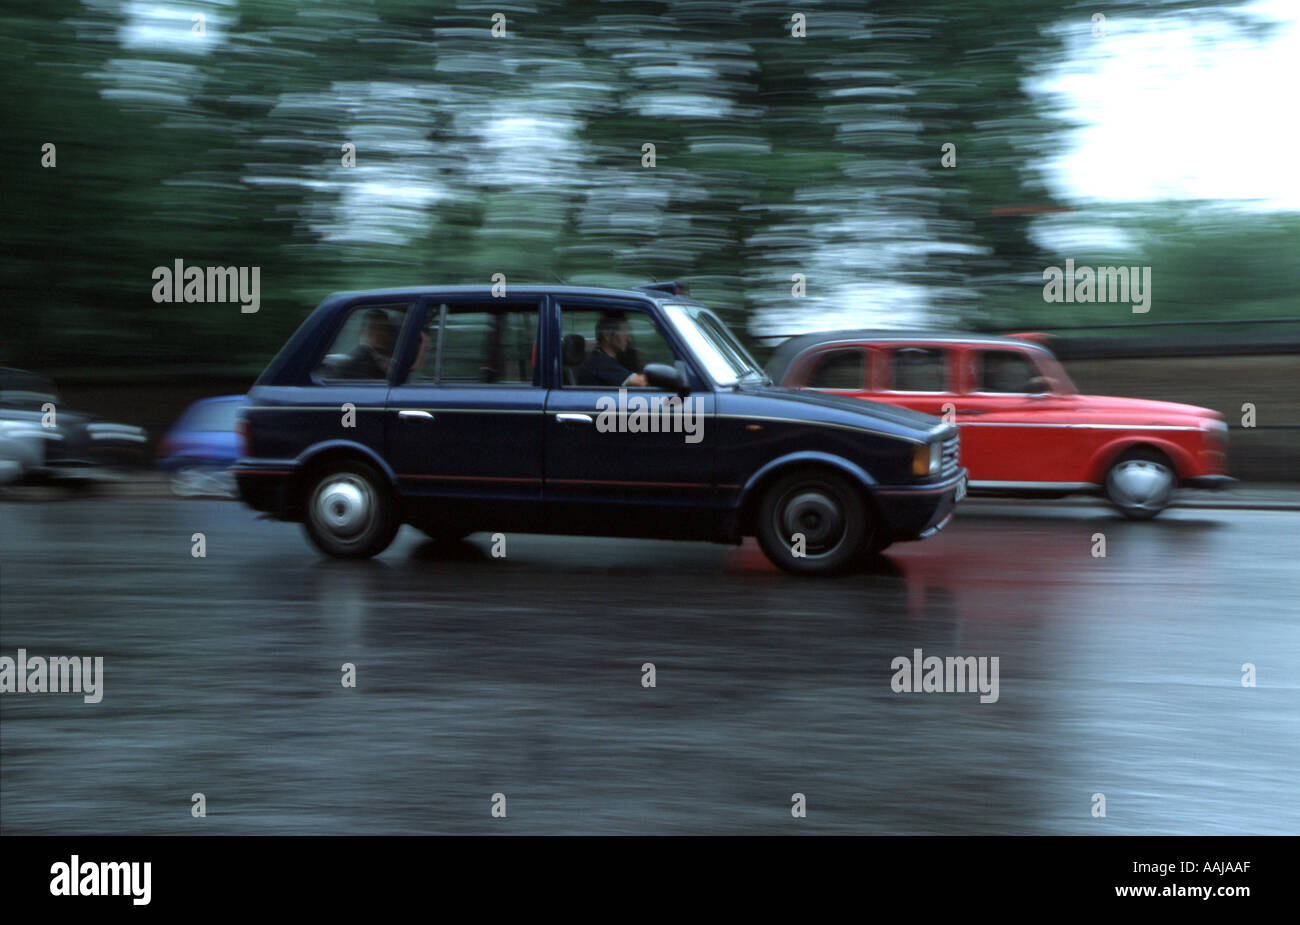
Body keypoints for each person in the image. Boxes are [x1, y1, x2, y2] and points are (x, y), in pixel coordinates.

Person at [577, 314, 648, 387]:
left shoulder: (609, 359)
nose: (629, 339)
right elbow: (641, 382)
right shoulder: (599, 362)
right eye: (624, 333)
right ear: (607, 335)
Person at [334, 309, 397, 379]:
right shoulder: (353, 365)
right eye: (376, 329)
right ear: (363, 332)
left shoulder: (392, 358)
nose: (381, 334)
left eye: (385, 329)